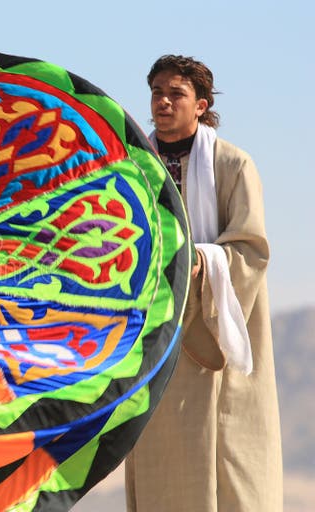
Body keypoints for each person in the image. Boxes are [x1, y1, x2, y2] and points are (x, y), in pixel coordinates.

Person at [124, 55, 283, 512]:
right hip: (151, 335)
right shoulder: (133, 168)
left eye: (176, 94)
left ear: (201, 105)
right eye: (157, 93)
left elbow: (251, 249)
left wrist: (200, 260)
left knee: (227, 459)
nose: (163, 102)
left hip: (217, 333)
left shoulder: (233, 165)